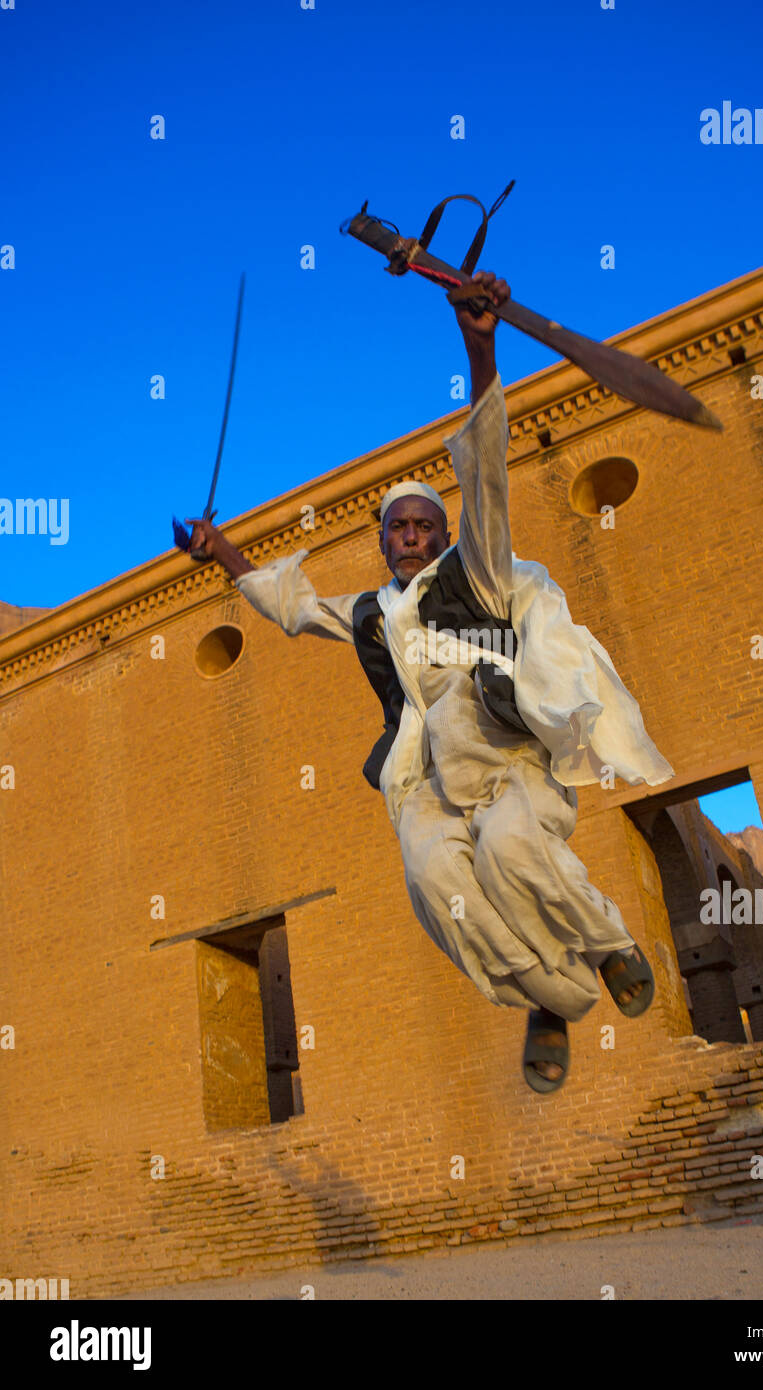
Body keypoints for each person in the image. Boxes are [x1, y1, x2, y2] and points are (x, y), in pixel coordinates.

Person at [185, 271, 674, 1092]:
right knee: (439, 886)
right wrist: (222, 551)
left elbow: (485, 470)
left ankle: (607, 943)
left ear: (441, 534)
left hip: (500, 747)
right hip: (420, 774)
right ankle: (550, 996)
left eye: (422, 526)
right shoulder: (372, 611)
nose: (410, 536)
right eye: (397, 528)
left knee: (513, 848)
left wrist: (478, 345)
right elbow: (293, 606)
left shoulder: (476, 573)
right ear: (382, 541)